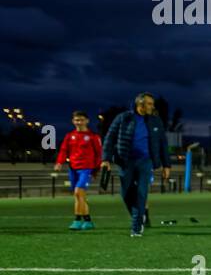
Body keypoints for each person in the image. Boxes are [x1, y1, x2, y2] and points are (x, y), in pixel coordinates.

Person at [101, 94, 170, 237]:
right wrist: (105, 158)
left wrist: (166, 165)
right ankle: (138, 215)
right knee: (125, 193)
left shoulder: (155, 120)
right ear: (140, 104)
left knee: (141, 193)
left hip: (146, 162)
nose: (152, 106)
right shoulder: (123, 118)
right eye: (149, 104)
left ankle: (136, 227)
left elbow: (163, 143)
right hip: (125, 161)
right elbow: (110, 137)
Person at [54, 111, 102, 230]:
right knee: (79, 196)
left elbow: (99, 154)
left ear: (87, 121)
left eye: (81, 120)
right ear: (73, 121)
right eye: (77, 120)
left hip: (86, 168)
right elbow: (64, 150)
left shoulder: (93, 136)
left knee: (78, 192)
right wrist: (59, 162)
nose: (79, 122)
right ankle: (88, 221)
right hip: (73, 168)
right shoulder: (69, 136)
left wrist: (96, 169)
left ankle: (77, 220)